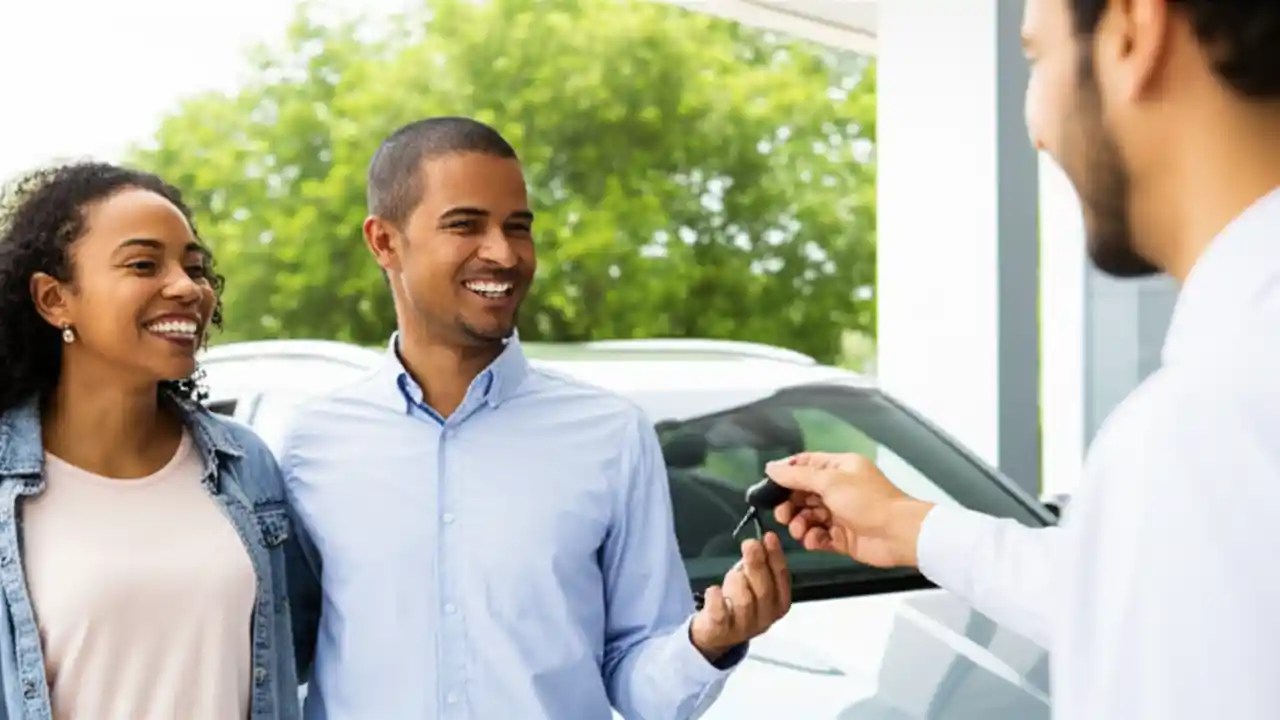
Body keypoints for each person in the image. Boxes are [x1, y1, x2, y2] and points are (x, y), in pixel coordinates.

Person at [763, 0, 1280, 718]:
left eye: (1037, 60)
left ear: (1135, 28)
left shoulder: (1201, 430)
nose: (1037, 131)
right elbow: (1160, 596)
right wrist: (908, 525)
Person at [279, 116, 791, 719]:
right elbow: (280, 662)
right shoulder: (311, 443)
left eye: (517, 228)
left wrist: (708, 643)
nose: (503, 253)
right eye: (465, 225)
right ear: (384, 242)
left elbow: (637, 682)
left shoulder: (611, 434)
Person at [0, 161, 311, 720]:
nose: (186, 288)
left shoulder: (246, 466)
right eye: (144, 264)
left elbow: (295, 645)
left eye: (194, 268)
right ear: (53, 299)